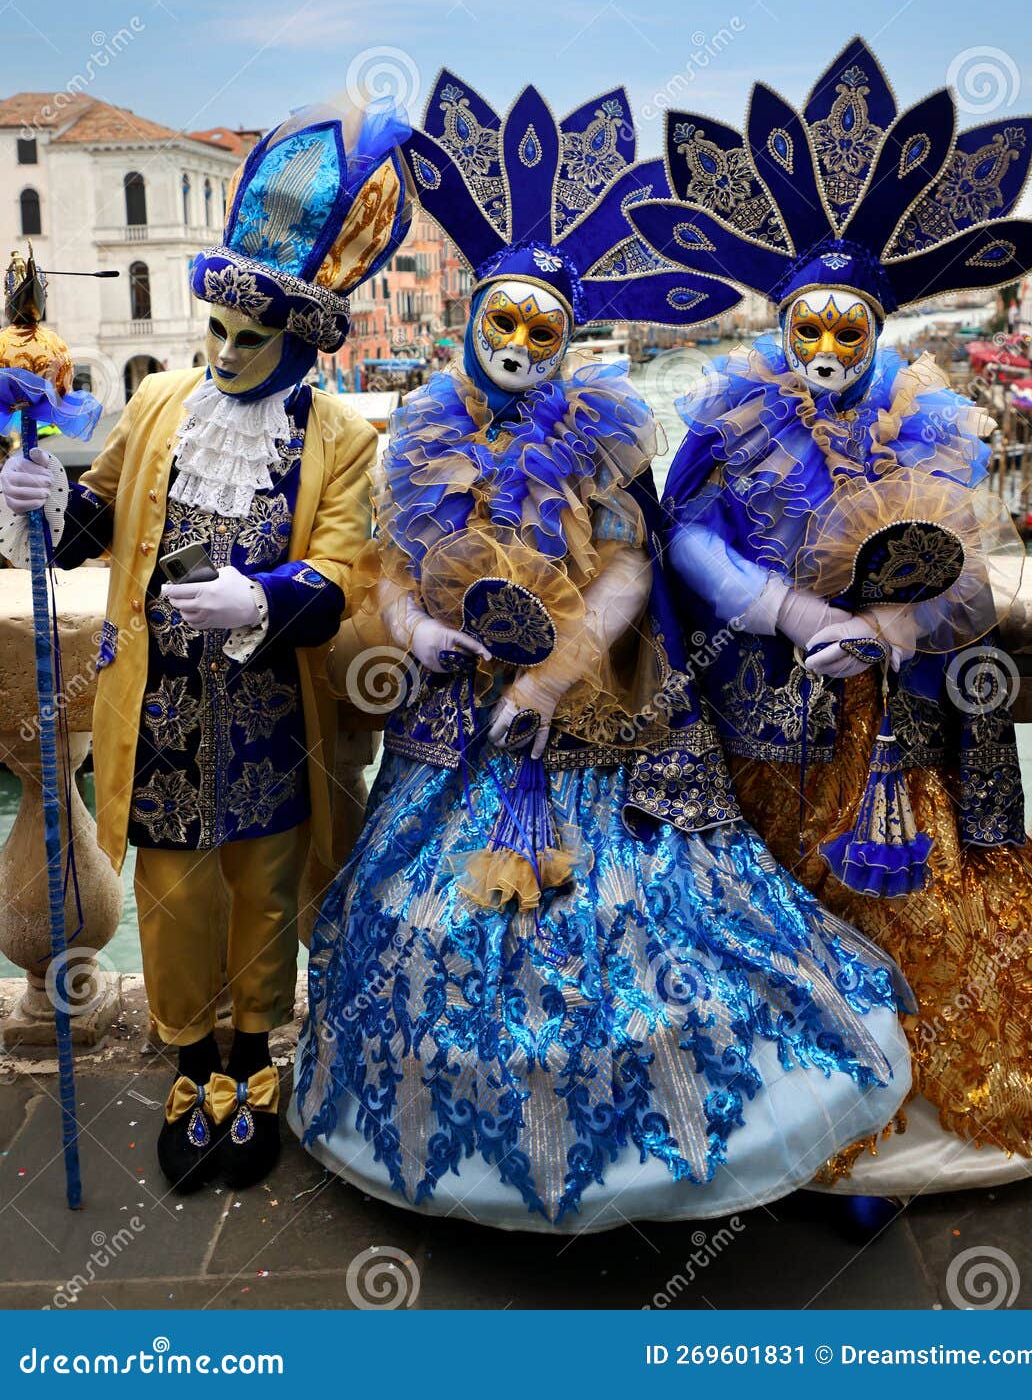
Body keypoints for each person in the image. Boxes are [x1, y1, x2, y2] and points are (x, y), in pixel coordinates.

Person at [289, 72, 912, 1232]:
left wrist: (551, 671)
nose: (522, 343)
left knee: (658, 924)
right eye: (504, 322)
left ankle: (692, 1145)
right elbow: (387, 568)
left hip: (593, 714)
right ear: (472, 323)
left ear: (570, 339)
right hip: (452, 722)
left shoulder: (605, 430)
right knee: (429, 925)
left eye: (543, 327)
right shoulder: (422, 430)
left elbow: (632, 566)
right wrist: (424, 630)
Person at [628, 36, 1032, 1192]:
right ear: (784, 329)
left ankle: (898, 1119)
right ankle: (809, 1120)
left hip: (892, 728)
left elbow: (967, 580)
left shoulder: (932, 426)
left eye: (846, 332)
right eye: (808, 330)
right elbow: (685, 532)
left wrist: (882, 631)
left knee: (922, 907)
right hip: (769, 715)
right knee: (781, 909)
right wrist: (775, 608)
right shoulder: (734, 418)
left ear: (875, 334)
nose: (824, 351)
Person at [0, 95, 411, 1192]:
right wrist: (35, 497)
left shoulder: (338, 436)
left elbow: (343, 571)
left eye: (249, 337)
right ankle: (191, 1065)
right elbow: (98, 518)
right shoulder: (160, 403)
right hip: (164, 714)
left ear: (296, 339)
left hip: (275, 719)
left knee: (265, 895)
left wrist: (263, 601)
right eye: (216, 333)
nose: (226, 352)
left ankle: (251, 1065)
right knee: (175, 898)